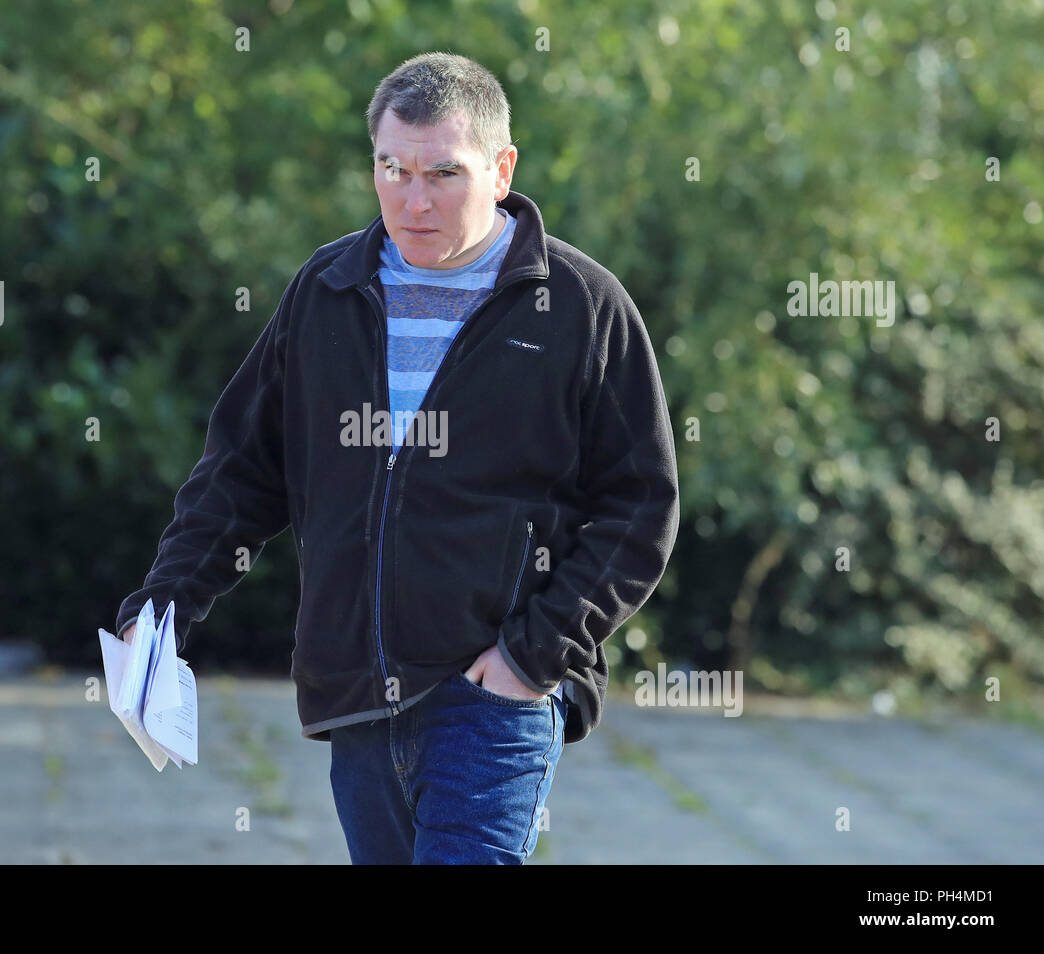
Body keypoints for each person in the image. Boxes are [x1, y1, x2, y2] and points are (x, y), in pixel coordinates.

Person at [115, 51, 680, 864]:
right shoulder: (328, 290)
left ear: (501, 167)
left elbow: (641, 508)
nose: (413, 202)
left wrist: (532, 656)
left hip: (493, 702)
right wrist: (161, 608)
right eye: (393, 169)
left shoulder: (582, 307)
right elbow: (243, 471)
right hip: (356, 696)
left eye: (443, 174)